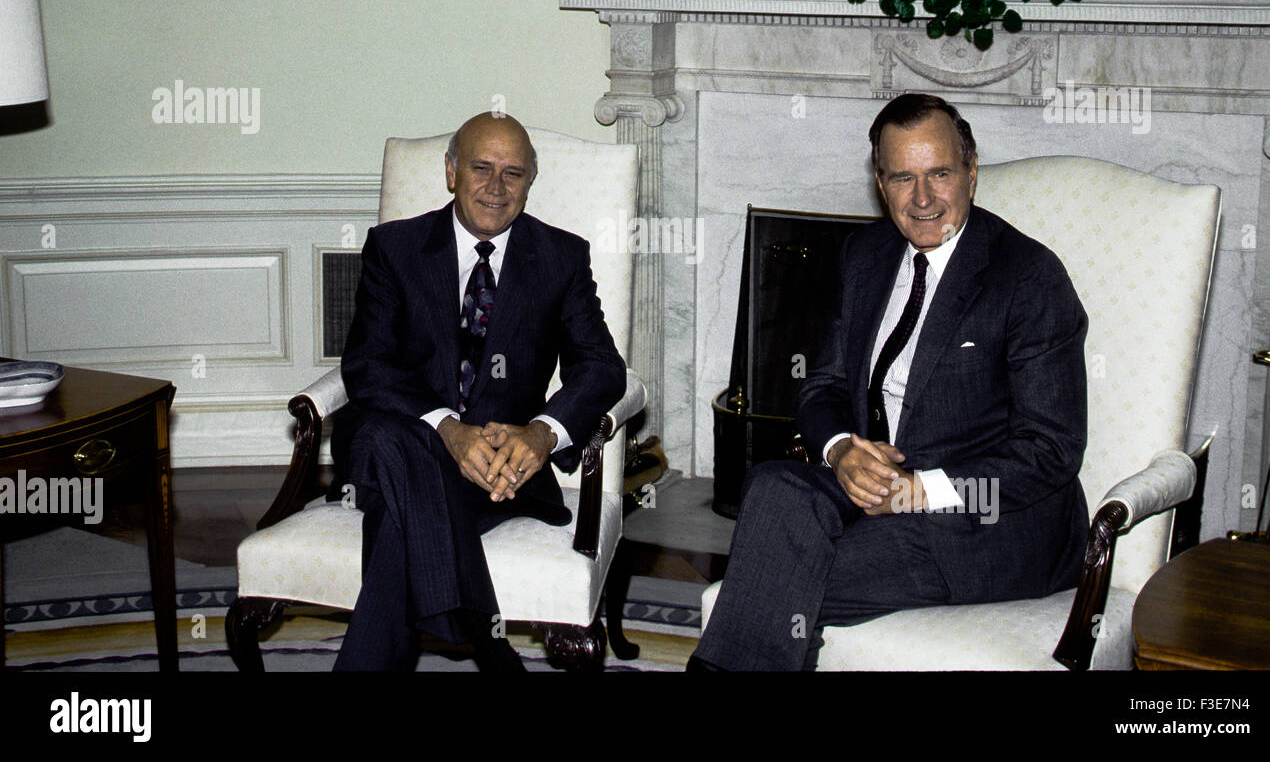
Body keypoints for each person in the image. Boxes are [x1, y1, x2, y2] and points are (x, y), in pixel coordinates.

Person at [691, 93, 1089, 671]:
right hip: (874, 485)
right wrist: (841, 449)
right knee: (774, 485)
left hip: (985, 518)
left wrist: (919, 491)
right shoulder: (866, 256)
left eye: (940, 174)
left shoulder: (1028, 278)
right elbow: (821, 385)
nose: (923, 199)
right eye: (903, 178)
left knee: (774, 584)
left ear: (971, 172)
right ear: (880, 182)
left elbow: (1053, 452)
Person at [331, 112, 626, 671]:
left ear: (530, 182)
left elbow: (602, 368)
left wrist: (543, 433)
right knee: (402, 443)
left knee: (399, 526)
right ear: (450, 171)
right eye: (481, 168)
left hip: (498, 469)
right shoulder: (394, 247)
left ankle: (474, 642)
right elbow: (366, 366)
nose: (496, 187)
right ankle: (488, 645)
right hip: (395, 444)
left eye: (513, 173)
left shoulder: (561, 258)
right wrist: (448, 428)